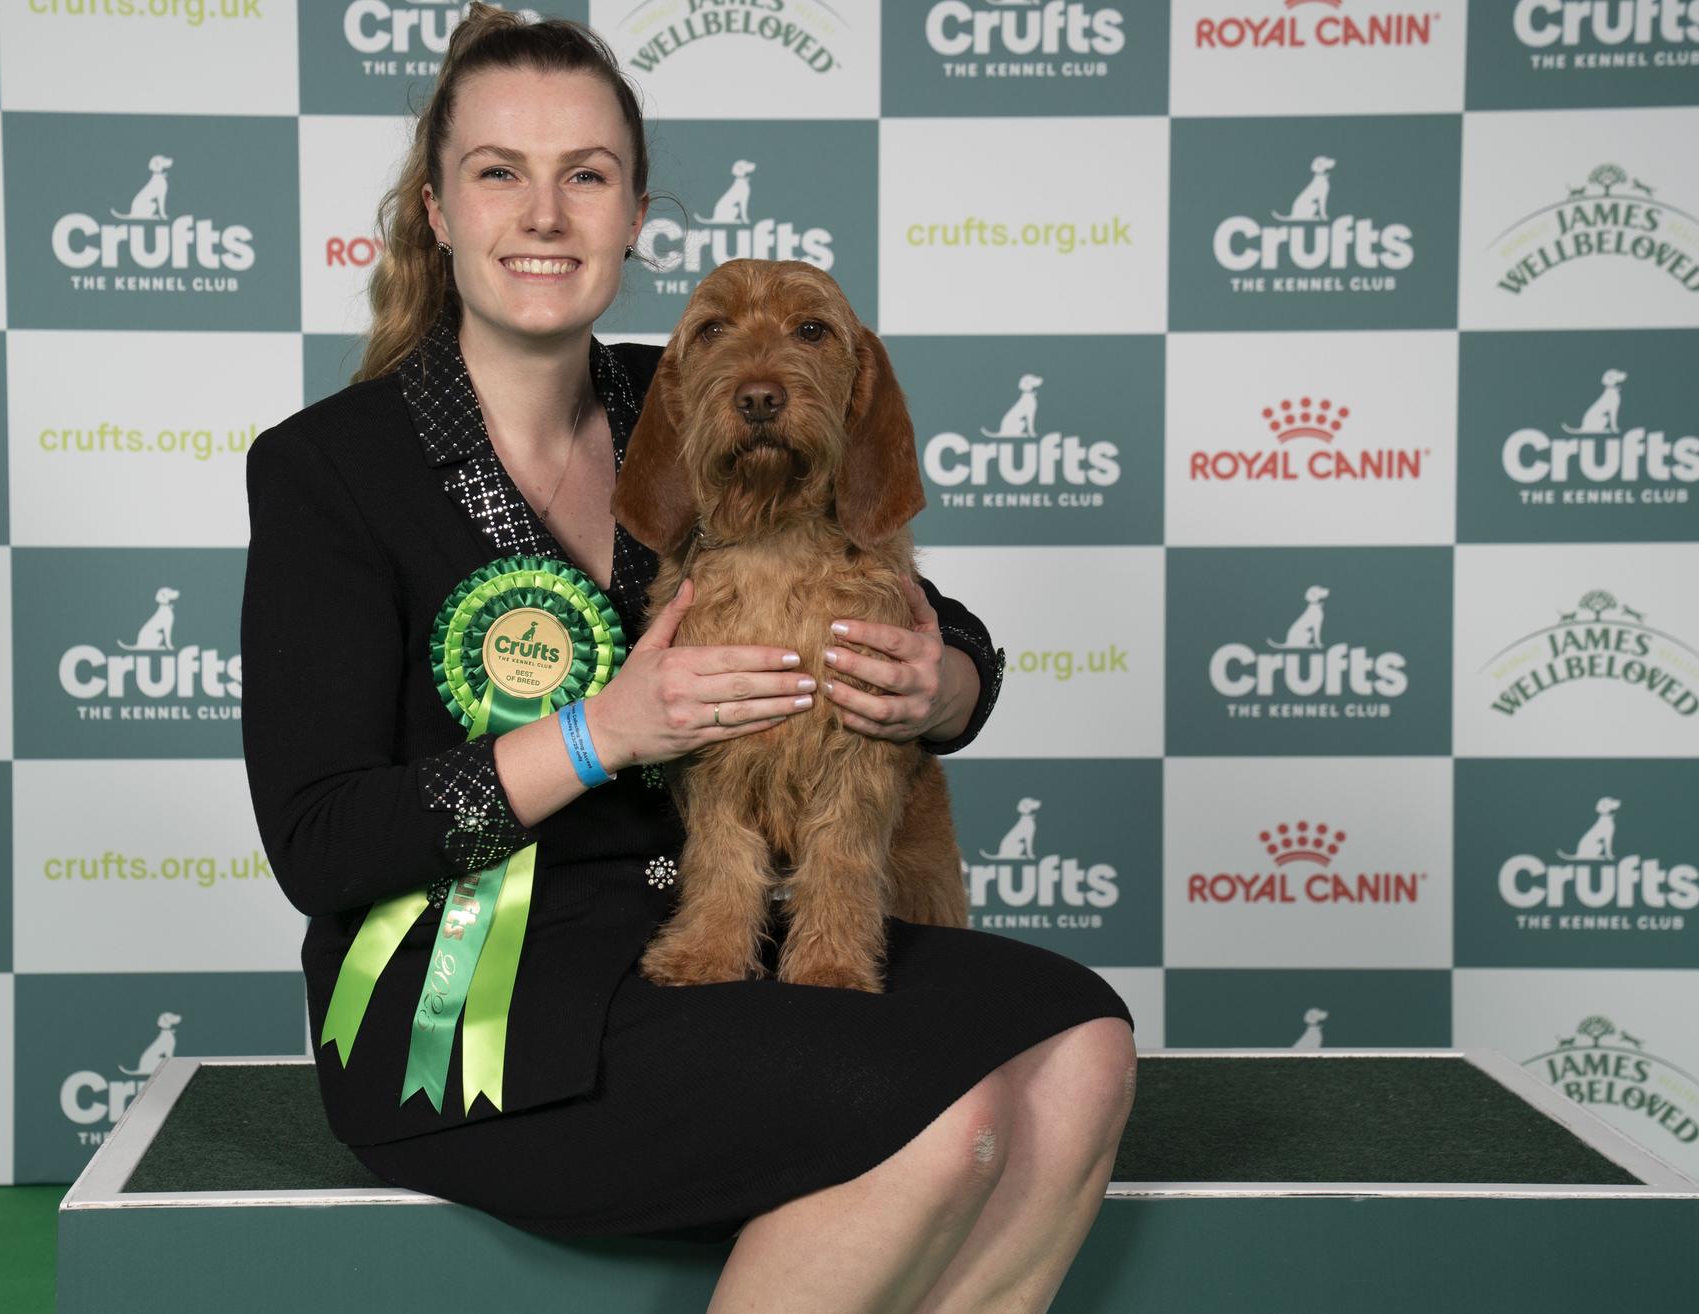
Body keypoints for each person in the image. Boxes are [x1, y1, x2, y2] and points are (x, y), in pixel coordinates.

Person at [238, 6, 1135, 1311]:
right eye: (501, 172)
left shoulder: (691, 385)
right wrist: (608, 728)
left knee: (1084, 1042)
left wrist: (944, 683)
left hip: (724, 947)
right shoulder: (331, 468)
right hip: (470, 1017)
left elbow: (907, 594)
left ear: (636, 214)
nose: (546, 214)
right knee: (938, 1120)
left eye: (586, 176)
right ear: (435, 207)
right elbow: (320, 840)